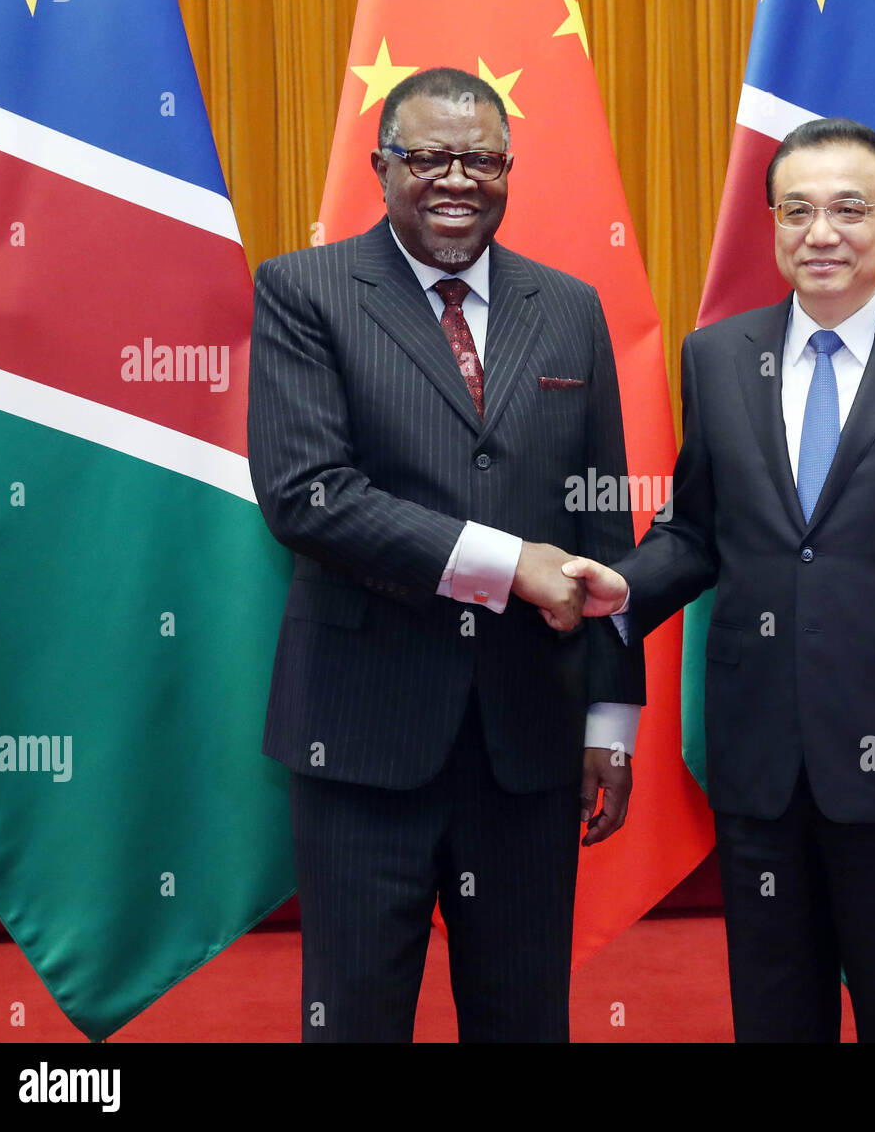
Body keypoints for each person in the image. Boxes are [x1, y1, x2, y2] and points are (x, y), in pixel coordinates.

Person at [565, 117, 875, 1042]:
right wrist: (620, 587)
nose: (822, 233)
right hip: (760, 755)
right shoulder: (719, 357)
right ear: (771, 226)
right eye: (798, 211)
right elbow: (697, 528)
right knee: (774, 1013)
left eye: (850, 209)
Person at [247, 67, 644, 1042]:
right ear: (382, 167)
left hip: (528, 741)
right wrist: (507, 561)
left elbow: (600, 524)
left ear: (509, 169)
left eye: (478, 158)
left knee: (522, 1019)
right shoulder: (304, 292)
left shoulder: (571, 306)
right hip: (362, 736)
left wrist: (611, 717)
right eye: (427, 157)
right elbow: (308, 496)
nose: (454, 178)